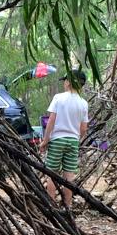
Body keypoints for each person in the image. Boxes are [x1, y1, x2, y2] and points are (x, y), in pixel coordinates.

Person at [40, 68, 89, 209]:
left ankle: (51, 206)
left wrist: (45, 140)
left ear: (68, 82)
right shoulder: (83, 103)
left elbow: (51, 121)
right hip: (73, 141)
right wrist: (76, 139)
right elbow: (84, 128)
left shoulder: (58, 98)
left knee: (51, 174)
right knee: (69, 177)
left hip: (57, 140)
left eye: (65, 80)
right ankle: (68, 206)